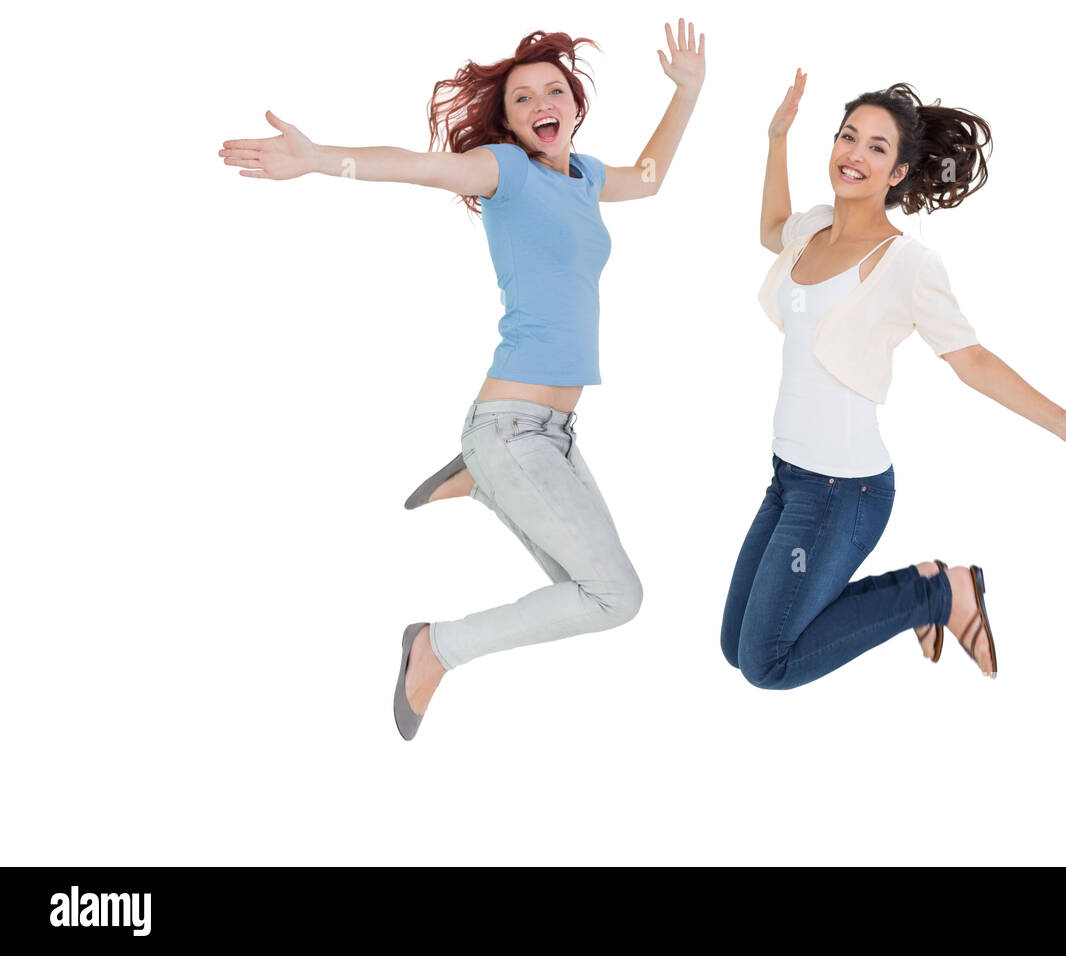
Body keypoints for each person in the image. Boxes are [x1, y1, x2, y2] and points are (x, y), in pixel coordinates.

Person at [218, 23, 706, 738]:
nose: (542, 101)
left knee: (589, 588)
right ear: (507, 121)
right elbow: (416, 166)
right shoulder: (503, 171)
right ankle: (437, 645)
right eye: (522, 97)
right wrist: (322, 159)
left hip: (554, 432)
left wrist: (688, 92)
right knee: (614, 596)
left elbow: (653, 177)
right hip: (514, 429)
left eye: (554, 90)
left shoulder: (587, 178)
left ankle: (476, 478)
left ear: (574, 104)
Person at [720, 71, 1066, 689]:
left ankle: (936, 592)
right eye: (847, 136)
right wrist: (776, 137)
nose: (854, 154)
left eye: (876, 147)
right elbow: (769, 231)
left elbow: (970, 358)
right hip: (788, 478)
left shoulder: (908, 264)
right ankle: (927, 592)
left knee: (768, 664)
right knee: (737, 647)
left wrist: (1060, 421)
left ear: (896, 173)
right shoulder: (810, 229)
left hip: (843, 493)